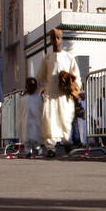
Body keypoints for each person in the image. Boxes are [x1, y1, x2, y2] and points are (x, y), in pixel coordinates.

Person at [39, 30, 80, 158]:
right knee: (50, 121)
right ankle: (50, 148)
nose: (56, 40)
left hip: (64, 96)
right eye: (53, 38)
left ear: (61, 39)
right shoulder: (47, 58)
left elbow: (77, 76)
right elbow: (40, 77)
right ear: (50, 40)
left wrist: (73, 85)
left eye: (58, 37)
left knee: (65, 120)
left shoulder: (69, 57)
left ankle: (68, 143)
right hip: (50, 95)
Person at [21, 77, 42, 158]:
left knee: (36, 137)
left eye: (33, 86)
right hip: (26, 121)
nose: (31, 88)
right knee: (27, 138)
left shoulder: (38, 98)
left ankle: (37, 148)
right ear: (26, 87)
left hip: (35, 121)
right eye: (29, 86)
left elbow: (40, 109)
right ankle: (28, 151)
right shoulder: (23, 98)